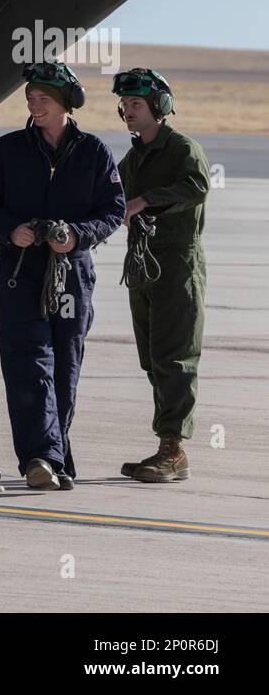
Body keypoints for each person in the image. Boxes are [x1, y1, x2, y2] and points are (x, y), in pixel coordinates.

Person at [0, 63, 124, 490]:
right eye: (31, 98)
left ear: (67, 103)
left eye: (44, 99)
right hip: (19, 272)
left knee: (65, 365)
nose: (35, 106)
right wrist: (10, 230)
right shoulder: (8, 149)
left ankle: (56, 458)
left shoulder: (94, 152)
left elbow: (113, 210)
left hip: (71, 274)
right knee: (30, 361)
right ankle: (40, 458)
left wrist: (77, 235)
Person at [113, 68, 210, 482]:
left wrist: (145, 201)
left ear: (160, 107)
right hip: (142, 265)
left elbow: (197, 186)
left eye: (135, 104)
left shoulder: (182, 149)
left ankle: (174, 449)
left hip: (177, 266)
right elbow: (108, 195)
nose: (128, 111)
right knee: (153, 359)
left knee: (175, 357)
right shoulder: (133, 158)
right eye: (124, 104)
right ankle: (165, 444)